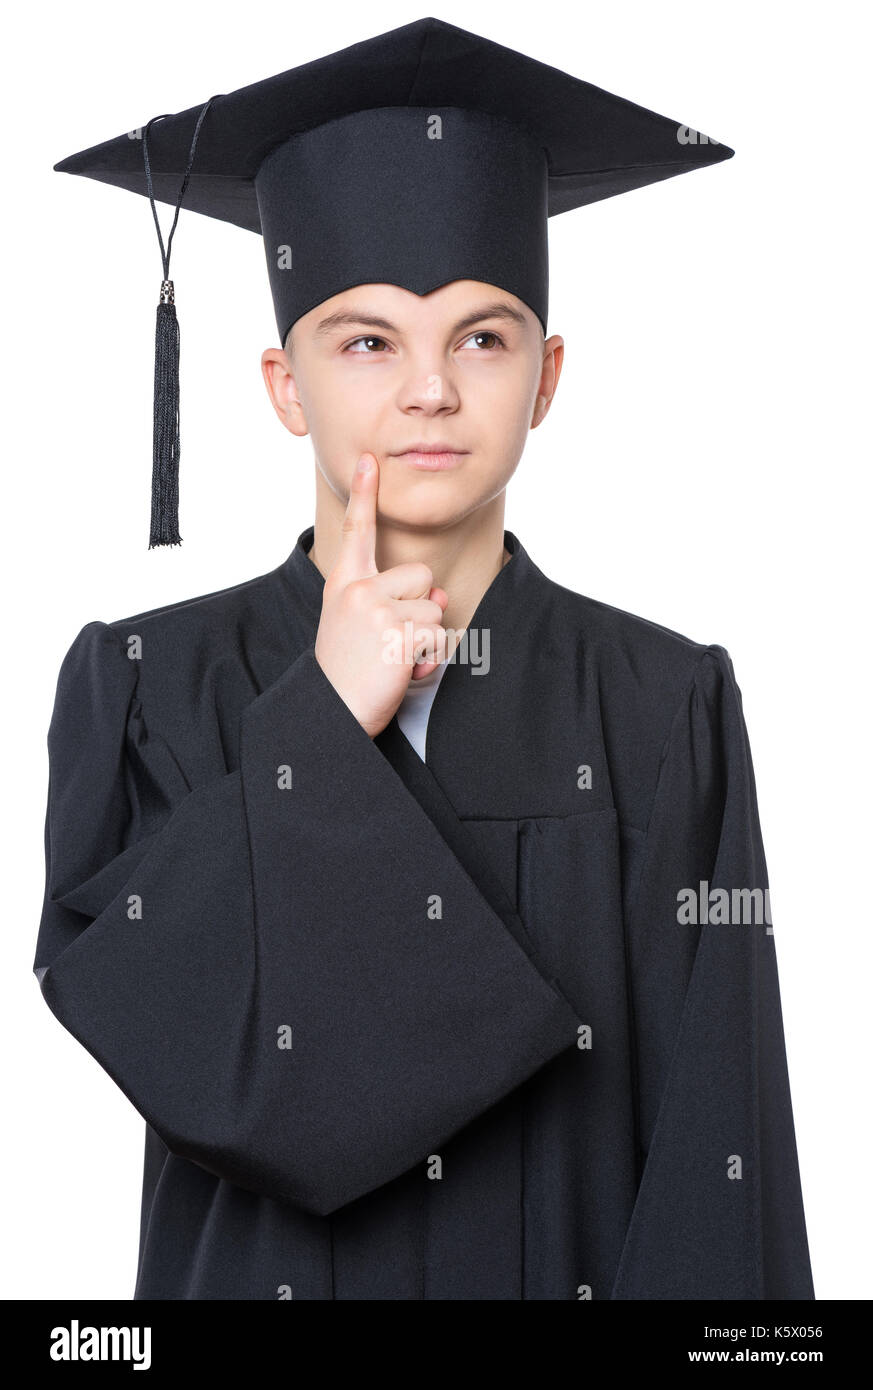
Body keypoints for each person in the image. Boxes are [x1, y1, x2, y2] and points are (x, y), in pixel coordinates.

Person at [35, 17, 814, 1299]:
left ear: (547, 378)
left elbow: (718, 1157)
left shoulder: (662, 706)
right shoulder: (147, 687)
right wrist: (318, 719)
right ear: (284, 385)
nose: (432, 391)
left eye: (482, 337)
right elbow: (160, 1029)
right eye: (367, 342)